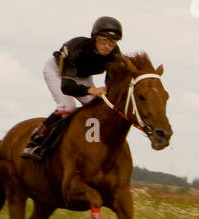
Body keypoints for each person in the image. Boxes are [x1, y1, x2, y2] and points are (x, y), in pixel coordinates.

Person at [21, 16, 124, 160]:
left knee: (97, 107)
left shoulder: (114, 53)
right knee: (68, 105)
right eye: (103, 40)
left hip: (83, 76)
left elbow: (112, 81)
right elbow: (67, 87)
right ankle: (35, 140)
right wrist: (92, 90)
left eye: (112, 42)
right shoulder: (77, 48)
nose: (108, 46)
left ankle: (90, 143)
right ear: (94, 38)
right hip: (59, 72)